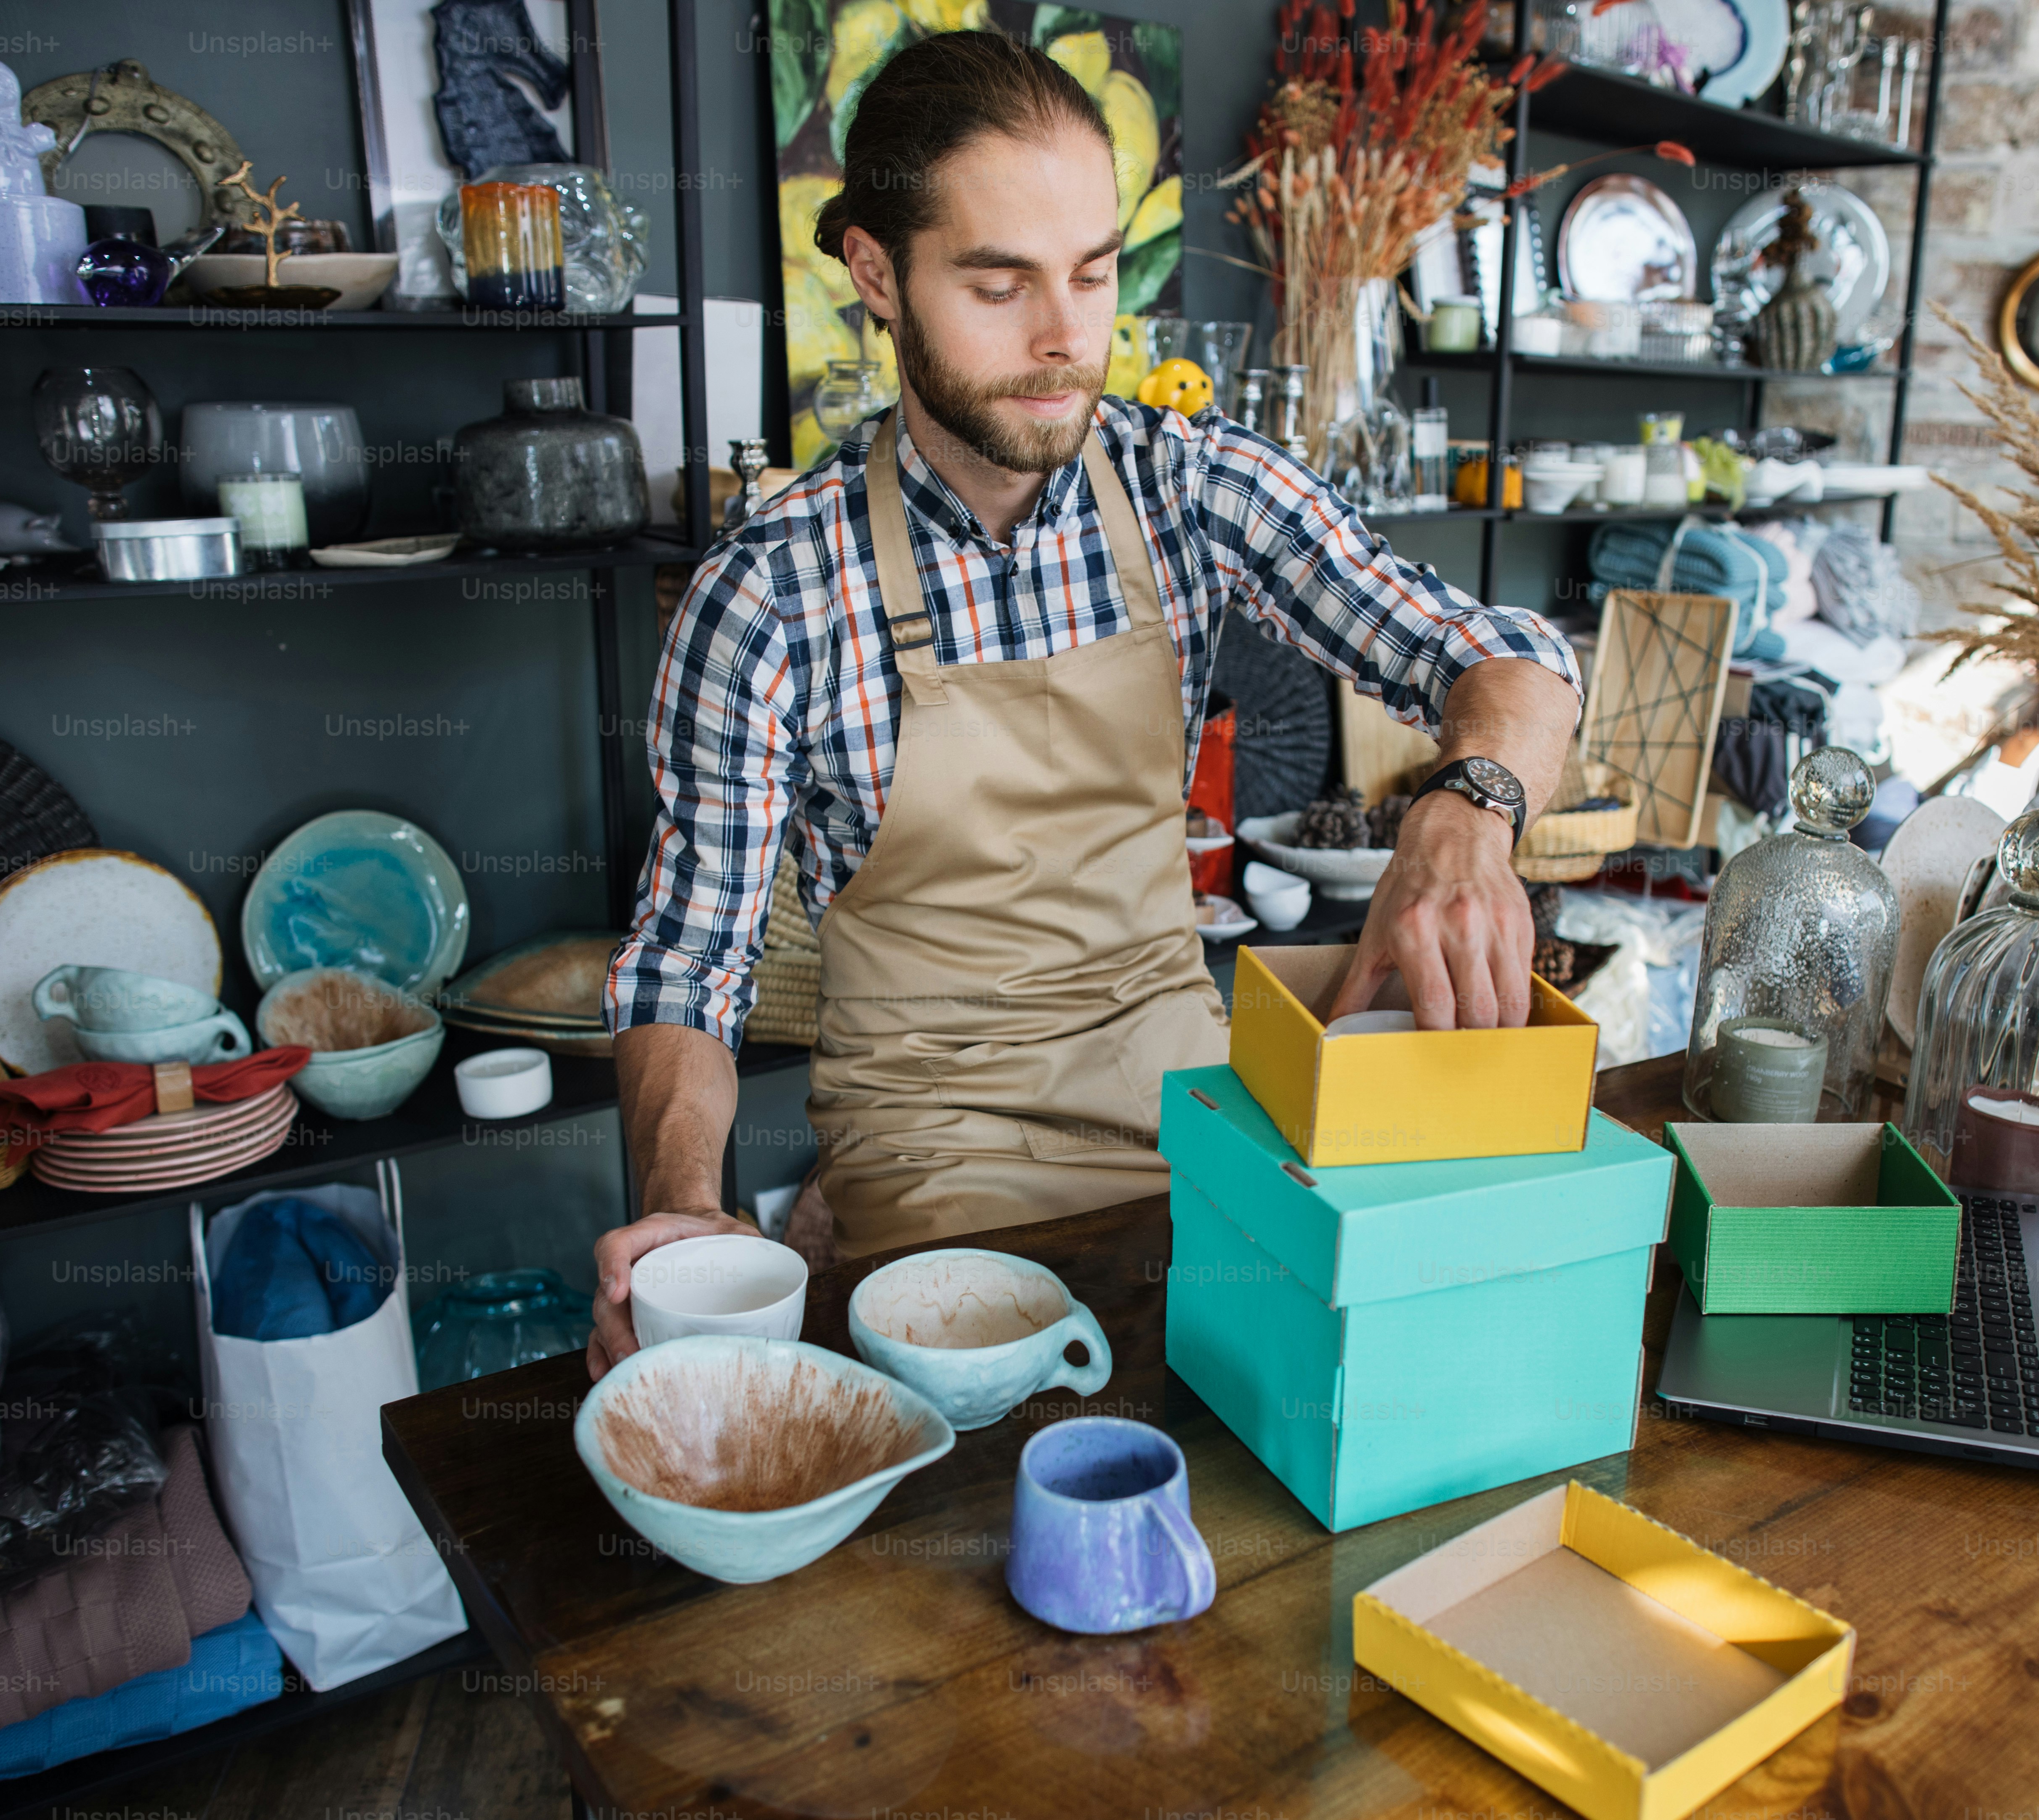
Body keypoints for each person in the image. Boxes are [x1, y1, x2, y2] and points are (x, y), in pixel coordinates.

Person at [587, 29, 1581, 1375]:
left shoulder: (1188, 485)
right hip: (933, 1176)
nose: (1065, 341)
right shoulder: (771, 593)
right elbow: (687, 970)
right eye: (999, 286)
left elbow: (1509, 658)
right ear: (877, 273)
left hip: (1195, 1121)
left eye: (1096, 274)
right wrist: (686, 1209)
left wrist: (1472, 810)